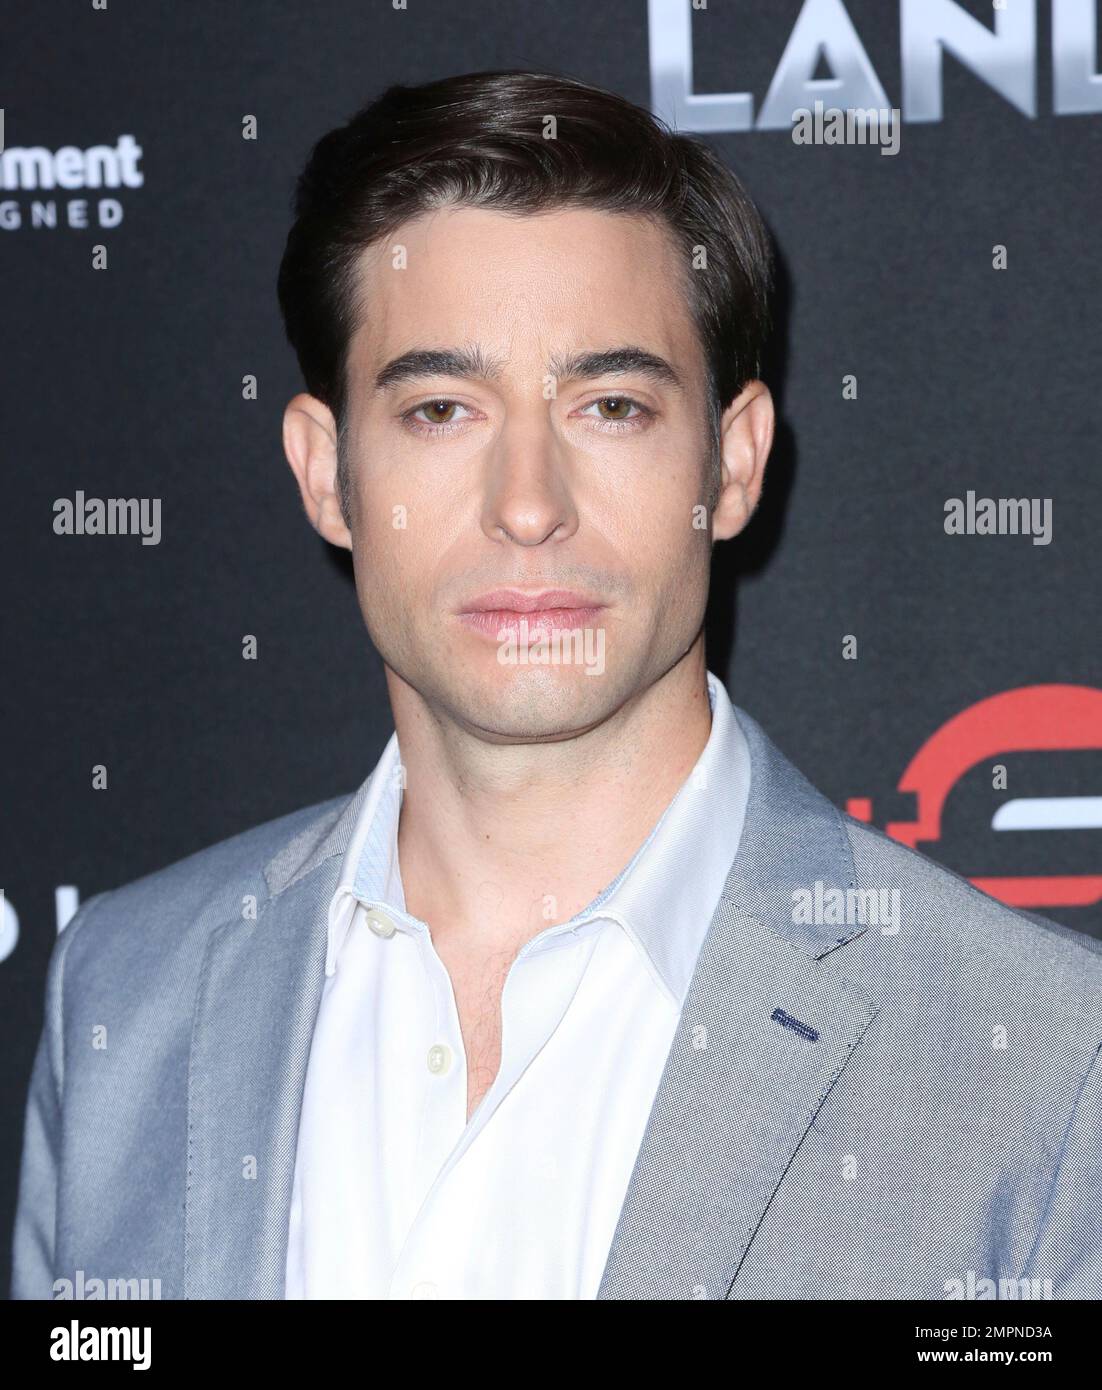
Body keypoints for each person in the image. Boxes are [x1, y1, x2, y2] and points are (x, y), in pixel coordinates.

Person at [12, 69, 1102, 1301]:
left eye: (612, 405)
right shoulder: (126, 998)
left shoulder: (1042, 1067)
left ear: (732, 463)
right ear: (326, 474)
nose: (527, 505)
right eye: (439, 409)